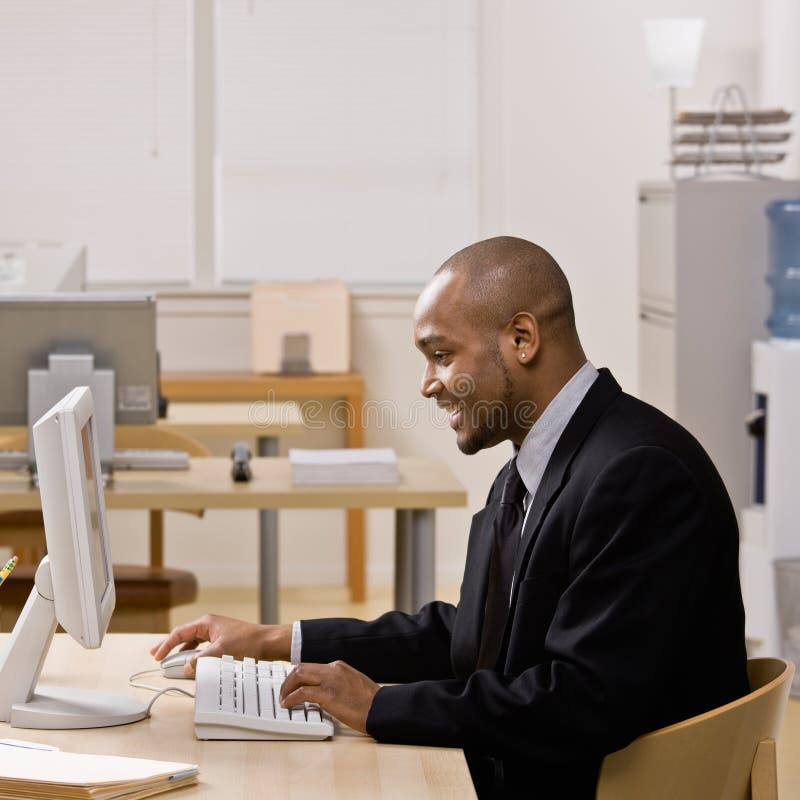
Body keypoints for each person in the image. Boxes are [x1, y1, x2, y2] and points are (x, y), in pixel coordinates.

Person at [152, 237, 748, 798]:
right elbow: (474, 637)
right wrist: (276, 641)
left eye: (441, 355)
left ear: (522, 338)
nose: (427, 385)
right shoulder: (534, 466)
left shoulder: (639, 474)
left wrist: (379, 706)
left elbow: (582, 700)